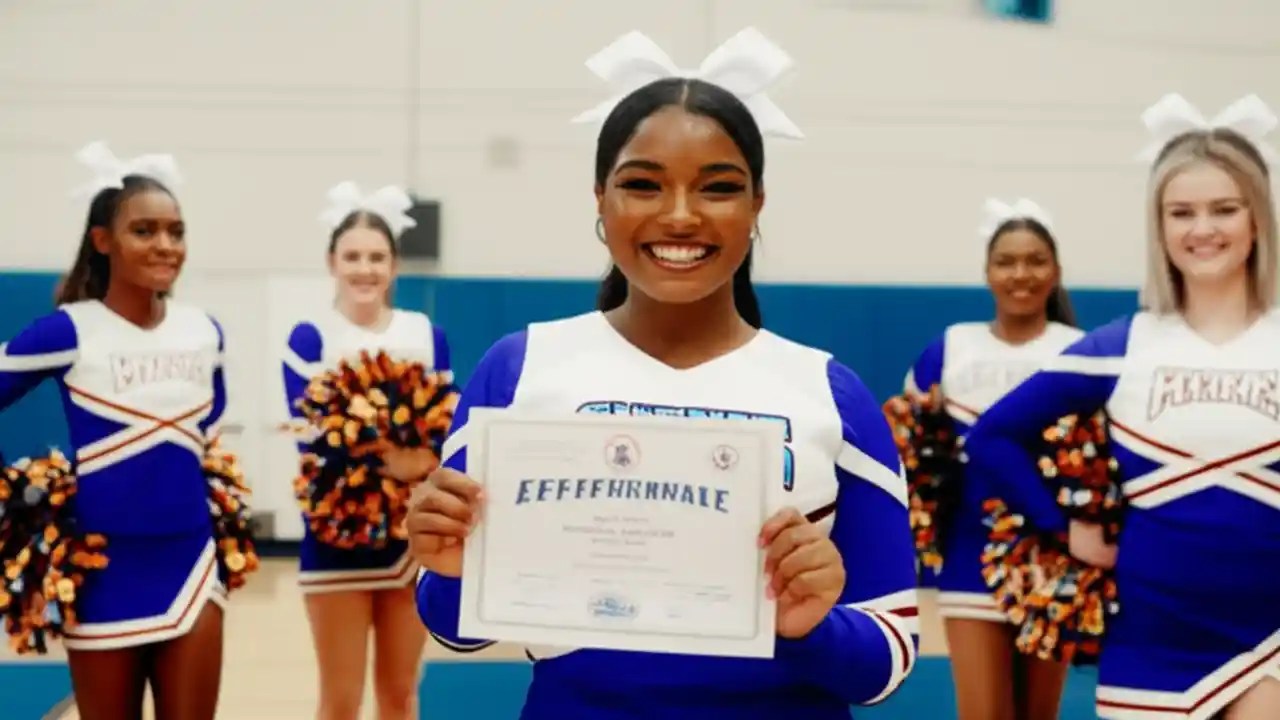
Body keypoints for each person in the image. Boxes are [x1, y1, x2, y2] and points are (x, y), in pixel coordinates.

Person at [406, 28, 919, 720]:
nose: (680, 215)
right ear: (599, 198)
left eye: (719, 188)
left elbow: (889, 658)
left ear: (757, 205)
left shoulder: (829, 393)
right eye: (643, 184)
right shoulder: (523, 368)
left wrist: (814, 626)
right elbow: (452, 627)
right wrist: (450, 567)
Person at [964, 93, 1280, 719]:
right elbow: (994, 436)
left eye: (1225, 208)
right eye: (1180, 212)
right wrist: (1065, 525)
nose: (1202, 228)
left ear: (1257, 218)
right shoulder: (1121, 346)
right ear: (1159, 227)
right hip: (1151, 640)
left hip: (1268, 640)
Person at [0, 141, 230, 719]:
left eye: (175, 232)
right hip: (103, 573)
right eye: (145, 230)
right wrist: (21, 499)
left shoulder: (205, 331)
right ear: (104, 241)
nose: (165, 245)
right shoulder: (69, 331)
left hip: (191, 563)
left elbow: (209, 438)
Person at [897, 198, 1080, 719]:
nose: (1020, 273)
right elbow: (914, 454)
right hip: (970, 554)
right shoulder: (952, 348)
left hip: (1054, 556)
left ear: (1057, 270)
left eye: (1035, 260)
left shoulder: (1081, 349)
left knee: (1038, 714)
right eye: (1006, 261)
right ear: (987, 271)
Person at [281, 181, 451, 720]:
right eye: (352, 256)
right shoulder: (309, 338)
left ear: (394, 265)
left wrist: (419, 460)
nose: (365, 269)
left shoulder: (425, 334)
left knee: (401, 697)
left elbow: (445, 428)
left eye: (377, 257)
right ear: (332, 261)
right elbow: (317, 439)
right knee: (340, 701)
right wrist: (400, 458)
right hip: (336, 543)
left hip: (410, 540)